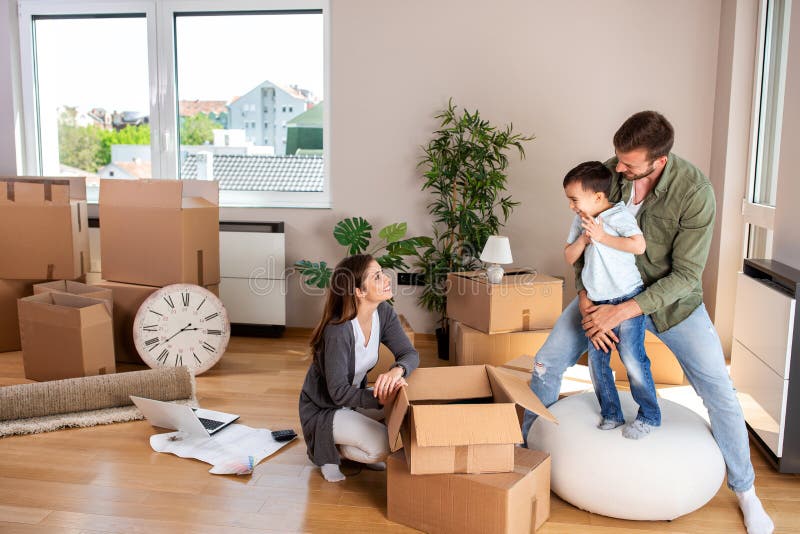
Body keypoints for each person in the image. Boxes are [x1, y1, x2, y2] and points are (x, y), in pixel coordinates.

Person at [523, 111, 774, 534]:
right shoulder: (608, 173)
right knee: (546, 362)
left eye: (628, 163)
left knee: (720, 392)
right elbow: (583, 244)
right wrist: (586, 301)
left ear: (659, 161)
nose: (618, 168)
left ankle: (747, 491)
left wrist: (622, 312)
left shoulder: (695, 193)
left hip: (671, 305)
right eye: (618, 159)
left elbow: (686, 276)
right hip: (603, 298)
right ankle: (522, 455)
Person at [299, 254, 419, 482]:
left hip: (352, 402)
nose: (387, 279)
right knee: (385, 445)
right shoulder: (338, 330)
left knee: (406, 405)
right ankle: (331, 450)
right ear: (359, 292)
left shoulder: (383, 313)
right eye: (377, 277)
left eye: (382, 273)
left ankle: (351, 435)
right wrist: (380, 399)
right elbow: (337, 393)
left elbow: (409, 354)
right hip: (325, 409)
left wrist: (396, 371)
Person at [562, 161, 660, 439]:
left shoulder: (618, 215)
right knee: (597, 363)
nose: (571, 206)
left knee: (632, 358)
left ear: (597, 197)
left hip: (626, 298)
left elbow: (638, 246)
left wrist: (602, 236)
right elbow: (569, 256)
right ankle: (612, 413)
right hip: (596, 303)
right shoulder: (580, 221)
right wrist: (584, 240)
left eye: (574, 199)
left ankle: (649, 415)